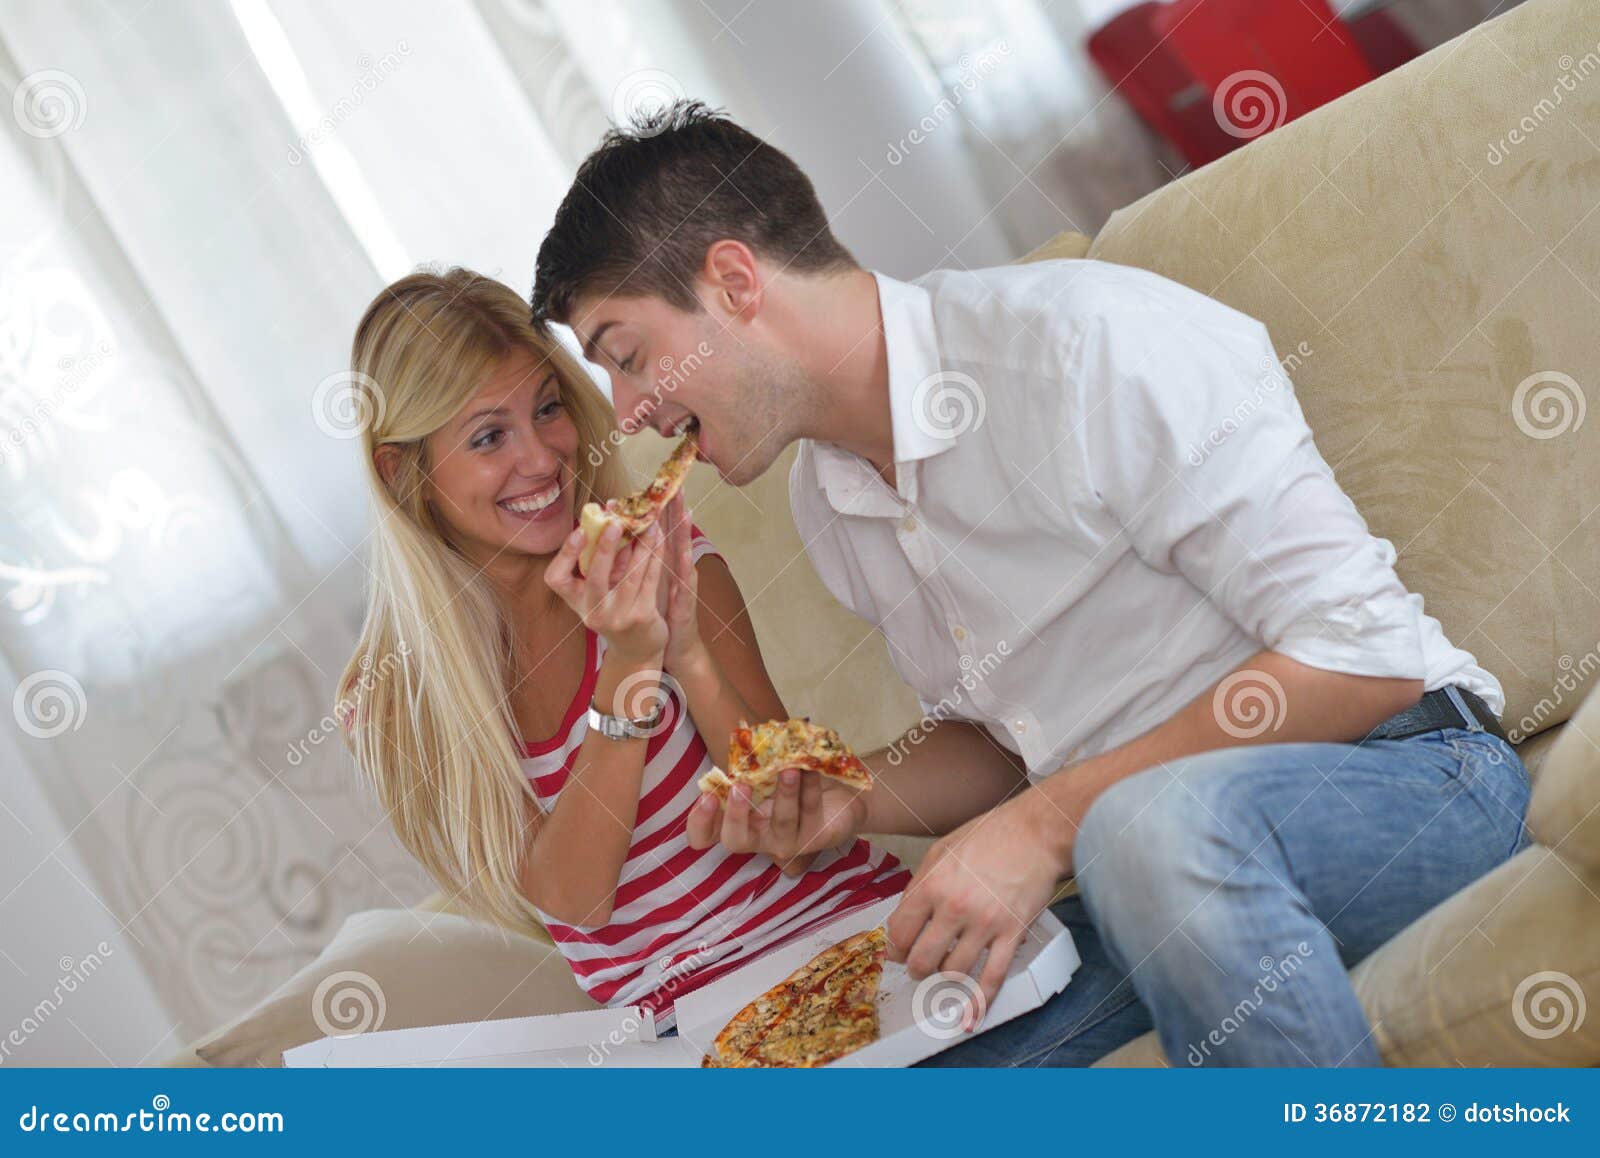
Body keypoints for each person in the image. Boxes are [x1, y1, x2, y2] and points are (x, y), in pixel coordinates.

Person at [528, 103, 1532, 1065]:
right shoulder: (828, 503)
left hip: (1401, 778)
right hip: (1128, 875)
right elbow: (1007, 749)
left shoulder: (1083, 346)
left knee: (1143, 832)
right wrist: (851, 796)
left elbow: (1362, 655)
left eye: (628, 356)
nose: (628, 411)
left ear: (736, 282)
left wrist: (1045, 826)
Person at [338, 268, 907, 1027]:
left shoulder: (665, 557)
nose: (542, 458)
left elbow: (792, 827)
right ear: (404, 471)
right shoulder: (393, 700)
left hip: (850, 940)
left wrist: (680, 652)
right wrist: (631, 665)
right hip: (685, 1036)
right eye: (488, 437)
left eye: (547, 409)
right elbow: (575, 898)